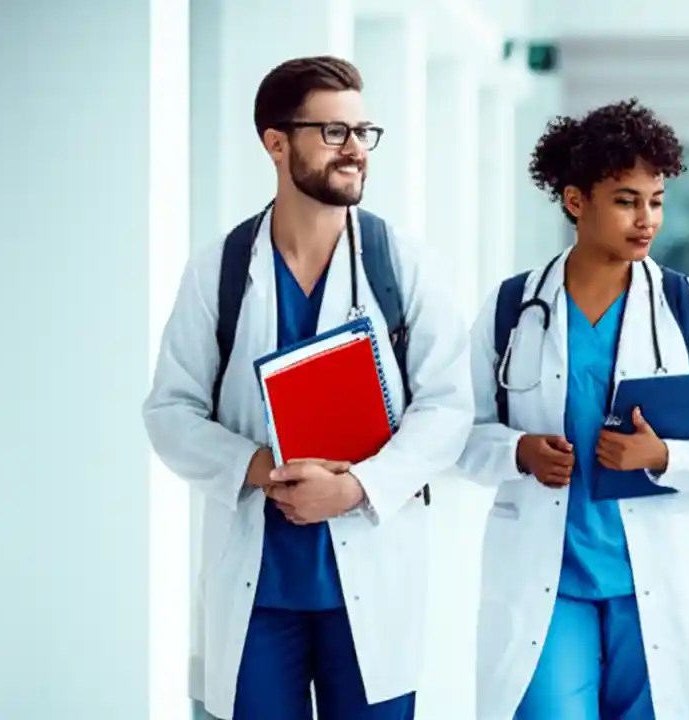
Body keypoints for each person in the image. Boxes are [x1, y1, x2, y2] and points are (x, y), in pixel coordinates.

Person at [142, 56, 472, 720]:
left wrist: (355, 487)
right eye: (333, 133)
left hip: (371, 579)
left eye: (363, 132)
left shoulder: (400, 262)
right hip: (260, 588)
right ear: (275, 142)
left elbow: (448, 407)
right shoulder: (222, 270)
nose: (356, 150)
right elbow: (168, 412)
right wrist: (258, 467)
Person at [458, 99, 689, 720]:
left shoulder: (686, 305)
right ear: (575, 201)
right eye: (626, 200)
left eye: (656, 199)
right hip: (550, 577)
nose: (647, 219)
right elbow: (462, 433)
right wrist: (516, 451)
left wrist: (664, 456)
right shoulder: (514, 306)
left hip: (655, 579)